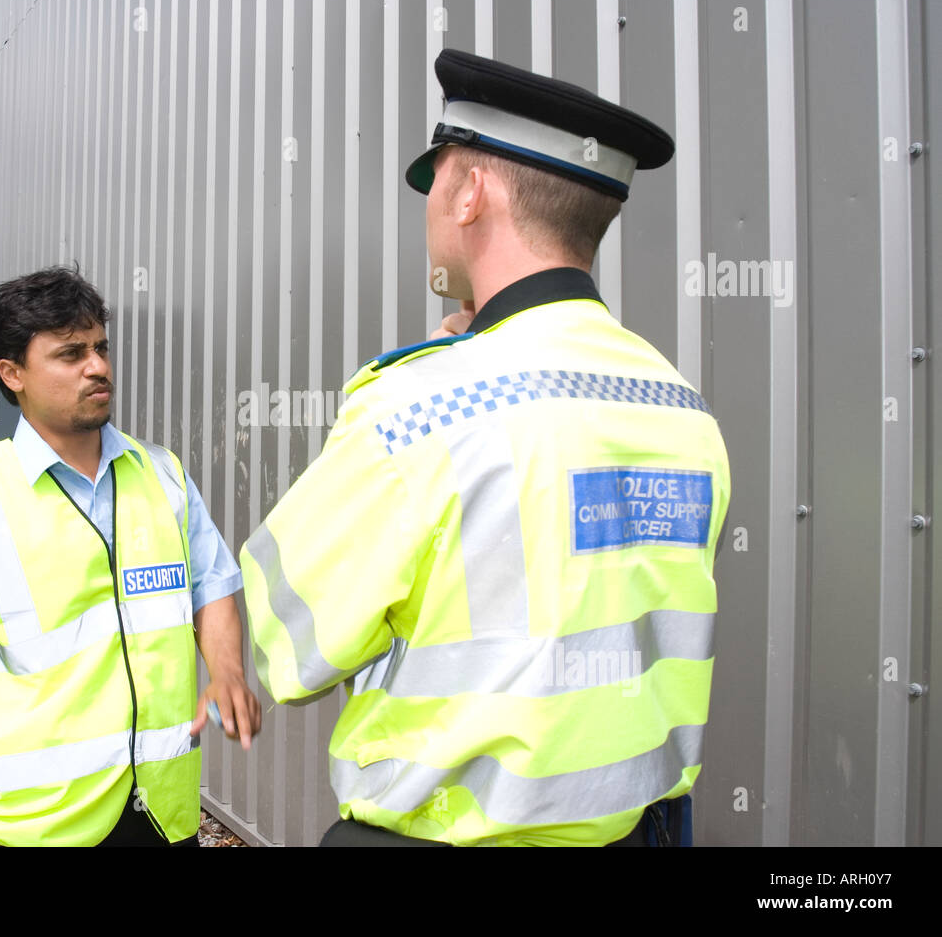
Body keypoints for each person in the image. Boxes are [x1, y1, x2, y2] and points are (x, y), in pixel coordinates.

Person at [240, 49, 731, 846]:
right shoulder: (682, 407)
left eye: (436, 179)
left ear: (470, 193)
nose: (429, 205)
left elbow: (285, 643)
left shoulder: (418, 406)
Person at [0, 265, 261, 847]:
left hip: (163, 817)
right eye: (70, 354)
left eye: (101, 347)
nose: (98, 367)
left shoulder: (163, 476)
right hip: (32, 831)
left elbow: (211, 586)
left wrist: (228, 670)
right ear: (13, 374)